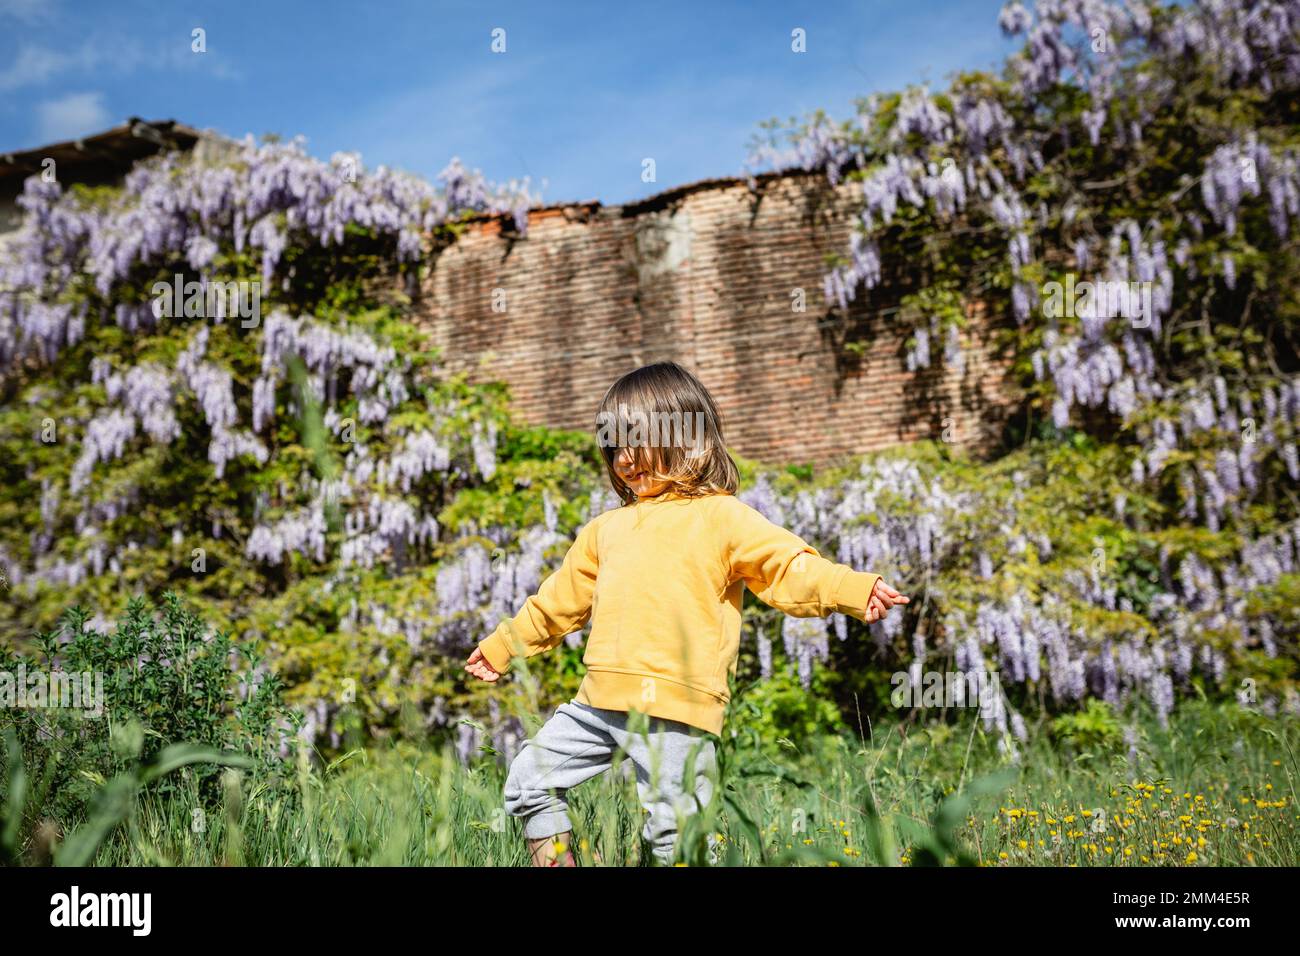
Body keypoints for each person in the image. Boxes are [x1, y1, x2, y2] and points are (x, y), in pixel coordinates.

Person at [465, 361, 909, 865]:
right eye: (614, 448)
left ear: (686, 435)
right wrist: (503, 646)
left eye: (638, 442)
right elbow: (556, 604)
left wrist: (852, 588)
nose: (626, 459)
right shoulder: (604, 530)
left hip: (677, 709)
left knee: (675, 837)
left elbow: (786, 568)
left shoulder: (721, 516)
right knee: (528, 783)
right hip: (598, 702)